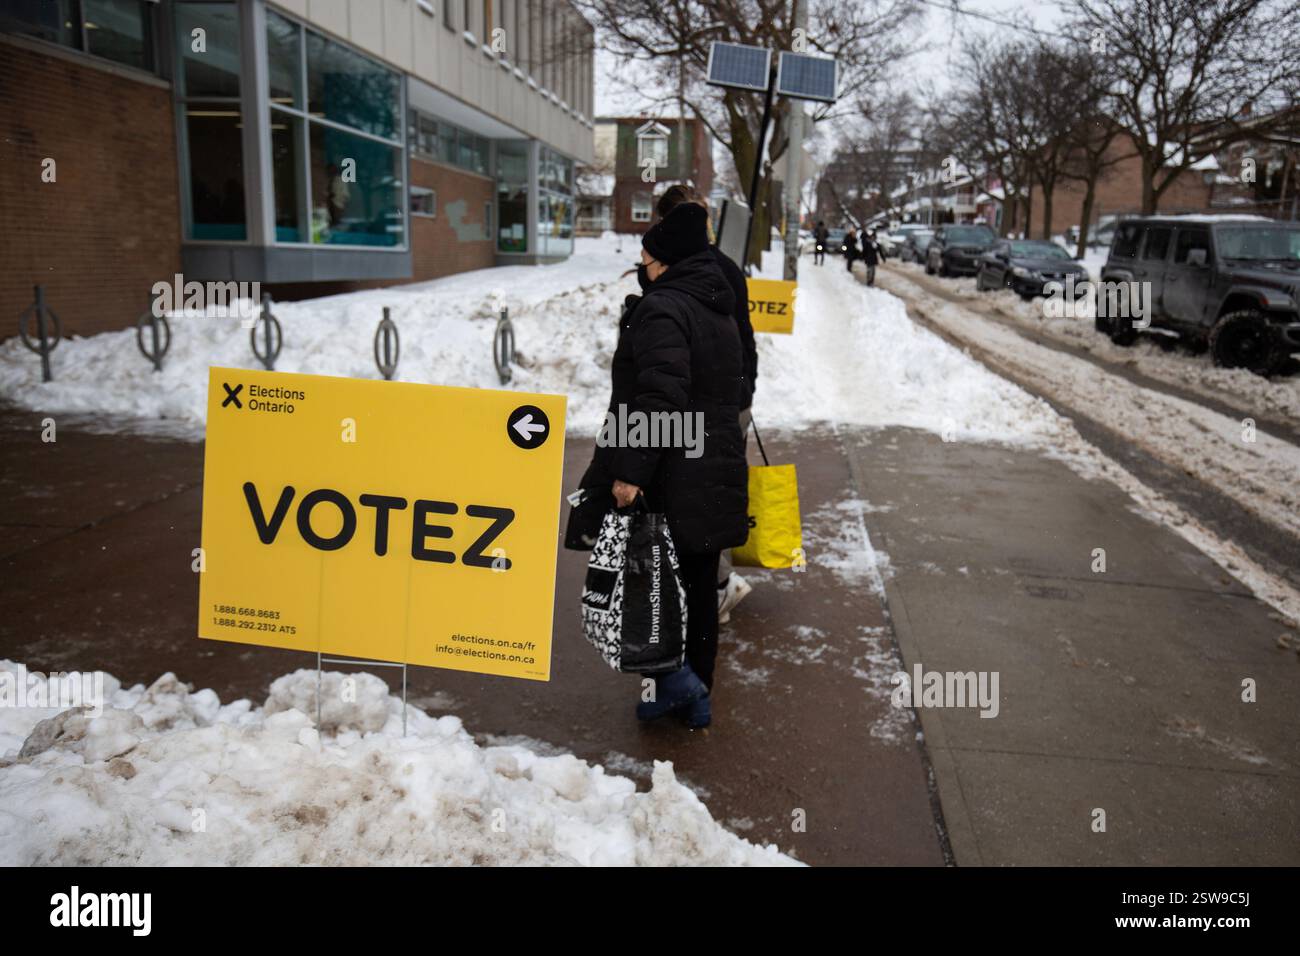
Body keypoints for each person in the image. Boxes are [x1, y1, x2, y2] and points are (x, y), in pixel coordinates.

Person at [580, 202, 749, 728]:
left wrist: (630, 473)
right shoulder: (716, 304)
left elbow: (658, 398)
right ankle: (693, 699)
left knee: (652, 587)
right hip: (713, 465)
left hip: (674, 473)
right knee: (697, 592)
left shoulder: (664, 309)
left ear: (665, 263)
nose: (640, 269)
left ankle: (675, 686)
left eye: (645, 260)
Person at [653, 185, 755, 625]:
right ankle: (709, 586)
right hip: (728, 400)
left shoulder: (691, 273)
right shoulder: (725, 268)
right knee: (713, 490)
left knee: (698, 494)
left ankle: (711, 588)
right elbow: (742, 340)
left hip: (703, 406)